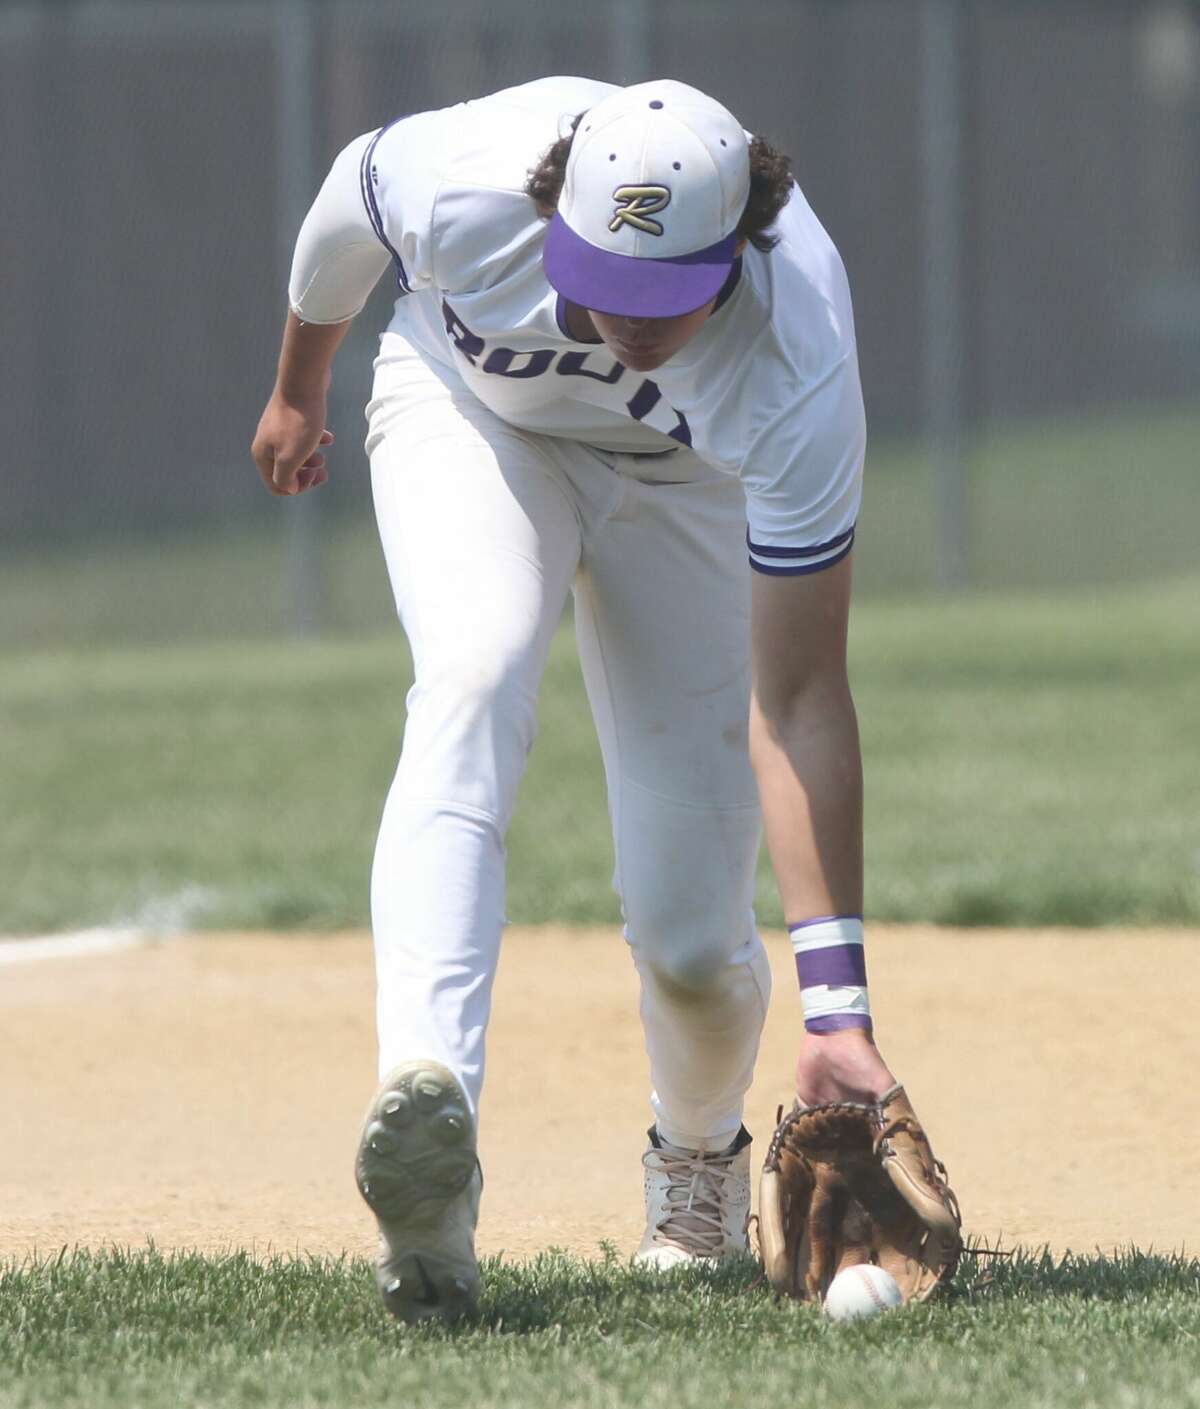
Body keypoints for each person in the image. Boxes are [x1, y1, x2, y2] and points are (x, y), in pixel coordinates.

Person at [252, 75, 916, 1324]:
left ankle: (696, 1162)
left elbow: (804, 697)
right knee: (470, 677)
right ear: (556, 212)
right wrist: (300, 386)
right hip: (473, 420)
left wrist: (842, 1013)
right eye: (600, 276)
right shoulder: (470, 183)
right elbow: (344, 214)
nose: (626, 317)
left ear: (740, 248)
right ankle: (427, 1114)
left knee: (686, 935)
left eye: (665, 296)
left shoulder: (798, 353)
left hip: (689, 490)